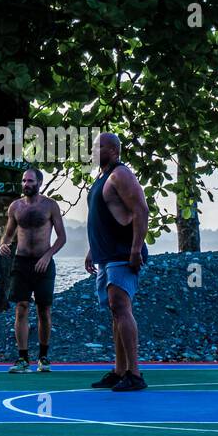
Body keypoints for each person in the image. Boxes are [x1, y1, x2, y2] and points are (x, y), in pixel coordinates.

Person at [85, 133, 149, 392]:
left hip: (123, 253)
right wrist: (92, 250)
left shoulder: (121, 174)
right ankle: (119, 370)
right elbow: (104, 217)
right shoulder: (101, 177)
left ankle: (134, 373)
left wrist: (135, 250)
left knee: (121, 306)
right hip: (106, 254)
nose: (92, 151)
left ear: (112, 150)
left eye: (97, 146)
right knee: (115, 310)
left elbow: (141, 210)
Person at [0, 167, 66, 373]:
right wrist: (3, 244)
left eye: (30, 181)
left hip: (43, 263)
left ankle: (43, 358)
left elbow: (62, 238)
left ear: (39, 183)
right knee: (21, 308)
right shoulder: (15, 207)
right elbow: (8, 234)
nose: (26, 184)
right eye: (24, 181)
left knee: (44, 310)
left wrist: (47, 256)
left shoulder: (50, 206)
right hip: (21, 262)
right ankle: (22, 359)